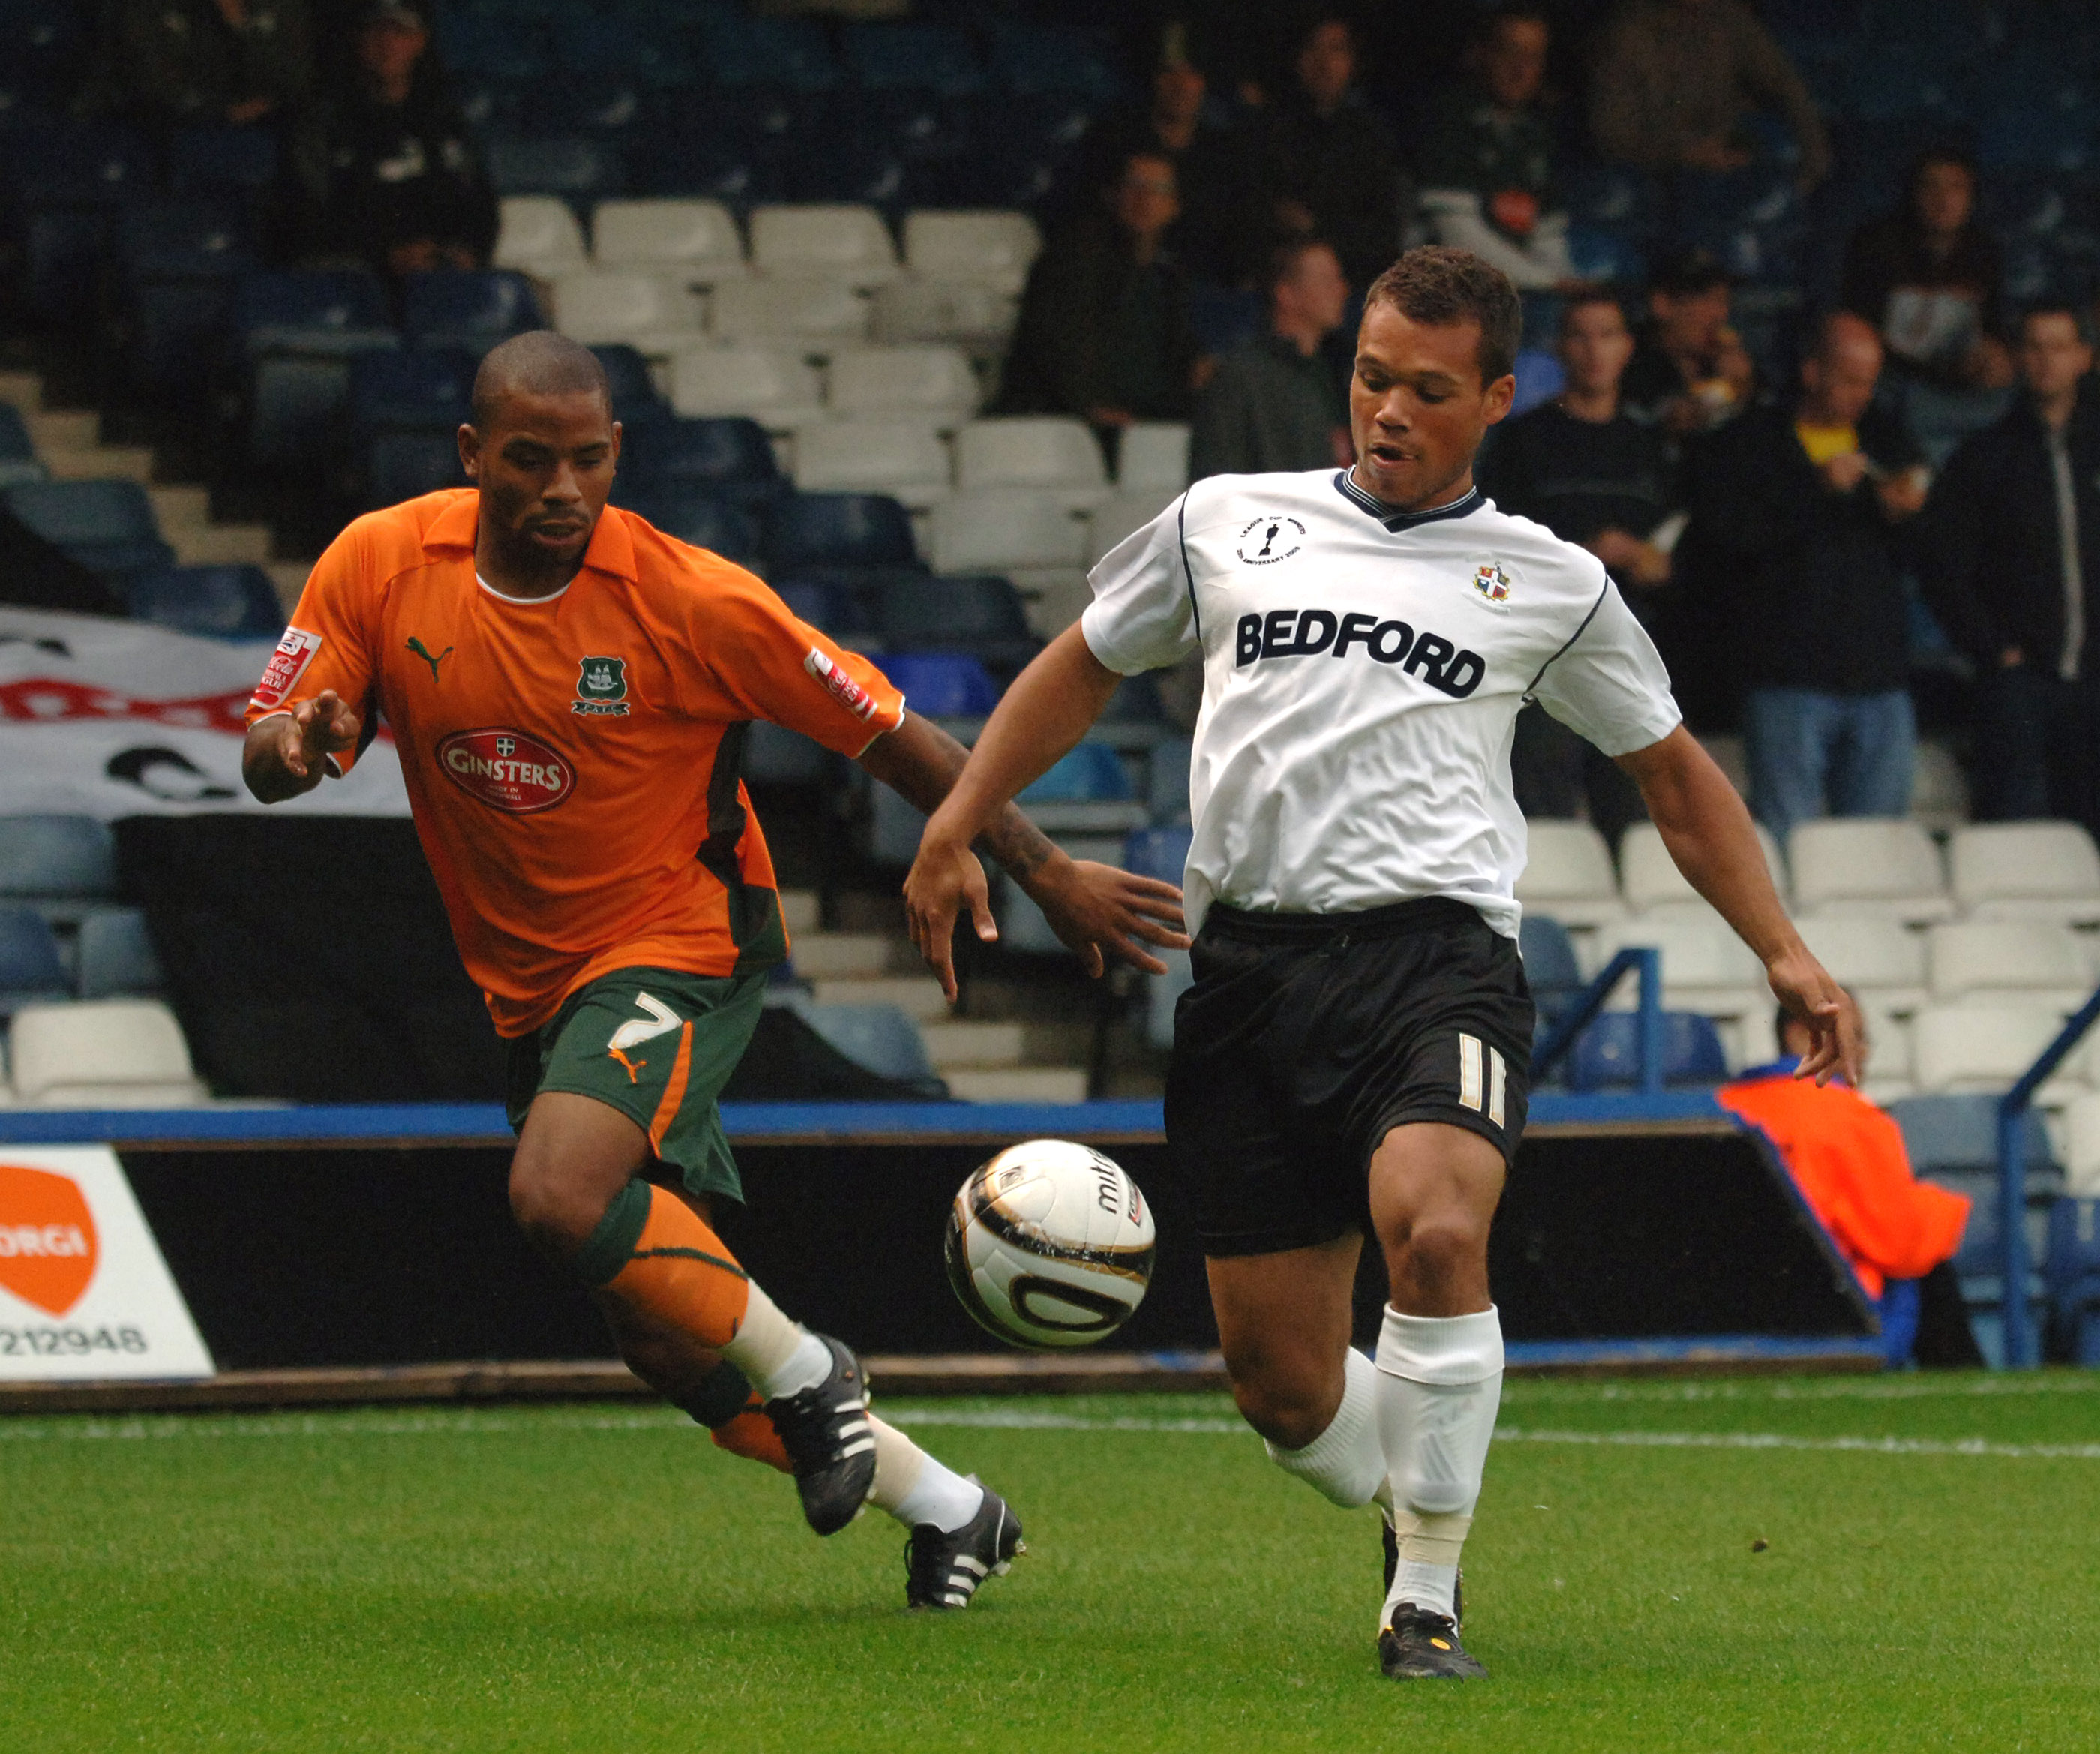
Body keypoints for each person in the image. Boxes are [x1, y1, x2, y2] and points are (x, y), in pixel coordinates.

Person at [902, 247, 1858, 1680]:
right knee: (1282, 1387)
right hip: (1247, 981)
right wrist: (960, 822)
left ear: (1495, 396)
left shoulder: (1551, 581)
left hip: (1437, 961)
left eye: (1425, 389)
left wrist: (1784, 948)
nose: (1387, 410)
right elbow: (1083, 664)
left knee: (1438, 1229)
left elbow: (1673, 774)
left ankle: (1427, 1593)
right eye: (1368, 376)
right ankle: (1409, 1492)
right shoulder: (1228, 521)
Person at [239, 332, 1184, 1609]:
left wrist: (1037, 866)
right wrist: (302, 743)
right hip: (530, 982)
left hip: (679, 940)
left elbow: (888, 729)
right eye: (530, 460)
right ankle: (953, 1507)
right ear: (473, 458)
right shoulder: (381, 561)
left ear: (617, 453)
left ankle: (814, 1372)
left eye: (588, 458)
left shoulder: (694, 599)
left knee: (558, 1194)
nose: (563, 487)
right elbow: (268, 745)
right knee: (660, 1335)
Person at [1684, 311, 1928, 844]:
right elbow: (1727, 542)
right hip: (1787, 679)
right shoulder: (1750, 444)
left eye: (1870, 380)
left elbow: (1925, 551)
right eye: (1850, 379)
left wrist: (1907, 515)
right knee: (1786, 842)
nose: (1863, 393)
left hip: (1879, 679)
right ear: (1813, 372)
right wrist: (1814, 490)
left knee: (1878, 848)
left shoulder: (1888, 439)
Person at [1480, 290, 1679, 842]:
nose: (1594, 350)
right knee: (1544, 827)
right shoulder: (1523, 441)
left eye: (1608, 334)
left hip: (1631, 660)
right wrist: (1584, 558)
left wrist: (1650, 561)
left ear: (1628, 348)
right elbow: (1491, 554)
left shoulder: (1650, 446)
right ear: (1560, 349)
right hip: (1546, 661)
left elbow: (1678, 558)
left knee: (1635, 828)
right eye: (1580, 335)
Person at [1918, 304, 2100, 833]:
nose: (2047, 360)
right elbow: (1943, 567)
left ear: (2084, 358)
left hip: (2095, 678)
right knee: (2011, 826)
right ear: (2020, 357)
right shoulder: (1985, 457)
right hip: (2019, 680)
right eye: (2035, 346)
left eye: (2060, 346)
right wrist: (1995, 650)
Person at [1720, 1007, 1982, 1369]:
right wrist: (1938, 1210)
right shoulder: (1848, 1115)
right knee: (1927, 1253)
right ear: (1800, 1036)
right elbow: (1897, 1244)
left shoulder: (1725, 1107)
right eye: (1854, 1036)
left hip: (1730, 1305)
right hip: (1831, 1310)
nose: (1863, 1052)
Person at [278, 0, 497, 279]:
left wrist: (456, 251)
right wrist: (384, 255)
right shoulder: (324, 123)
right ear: (358, 40)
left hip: (439, 274)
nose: (387, 44)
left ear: (419, 41)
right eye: (376, 32)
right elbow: (304, 217)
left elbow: (479, 205)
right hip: (355, 280)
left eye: (399, 33)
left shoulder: (444, 121)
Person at [998, 152, 1198, 443]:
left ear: (1175, 205)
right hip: (1059, 422)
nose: (1144, 198)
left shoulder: (1170, 275)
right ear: (1113, 194)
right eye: (1135, 184)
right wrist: (1092, 408)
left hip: (1138, 425)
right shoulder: (1071, 259)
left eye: (1159, 190)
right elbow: (1056, 349)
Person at [1414, 7, 1577, 293]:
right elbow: (1457, 238)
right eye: (1510, 52)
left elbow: (1547, 237)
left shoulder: (1537, 133)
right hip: (1449, 292)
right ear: (1482, 53)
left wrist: (1566, 289)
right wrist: (1547, 283)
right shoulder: (1447, 121)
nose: (1521, 69)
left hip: (1519, 292)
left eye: (1533, 57)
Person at [1588, 0, 1831, 191]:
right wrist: (1688, 152)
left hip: (1725, 156)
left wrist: (1813, 153)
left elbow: (1785, 83)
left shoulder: (1727, 19)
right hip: (1655, 172)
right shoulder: (1629, 32)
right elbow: (1613, 133)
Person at [1246, 15, 1410, 293]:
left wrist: (1319, 229)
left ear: (1352, 61)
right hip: (1276, 284)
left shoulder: (1372, 140)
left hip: (1353, 287)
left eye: (1337, 50)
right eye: (1314, 49)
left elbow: (1383, 234)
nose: (1325, 63)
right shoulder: (1262, 132)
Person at [1069, 29, 1238, 284]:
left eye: (1192, 74)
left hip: (1193, 282)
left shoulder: (1220, 154)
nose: (1181, 85)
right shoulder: (1117, 137)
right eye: (1169, 72)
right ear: (1155, 79)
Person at [1842, 150, 2012, 398]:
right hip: (1889, 382)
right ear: (1914, 193)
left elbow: (1994, 328)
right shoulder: (1877, 246)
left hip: (1962, 385)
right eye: (1931, 187)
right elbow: (1858, 328)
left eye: (1955, 188)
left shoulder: (1984, 252)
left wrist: (1994, 356)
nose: (1943, 199)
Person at [1189, 238, 1352, 481]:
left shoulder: (1330, 373)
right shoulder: (1242, 376)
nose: (1342, 290)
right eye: (1326, 281)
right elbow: (1215, 475)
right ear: (1286, 293)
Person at [85, 0, 313, 129]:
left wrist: (243, 25)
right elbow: (158, 81)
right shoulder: (155, 9)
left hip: (276, 122)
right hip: (181, 127)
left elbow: (298, 73)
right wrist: (220, 111)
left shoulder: (282, 7)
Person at [1618, 248, 1756, 435]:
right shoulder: (1626, 368)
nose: (1720, 315)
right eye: (1707, 299)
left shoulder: (1736, 365)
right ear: (1662, 304)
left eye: (1724, 300)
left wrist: (1746, 388)